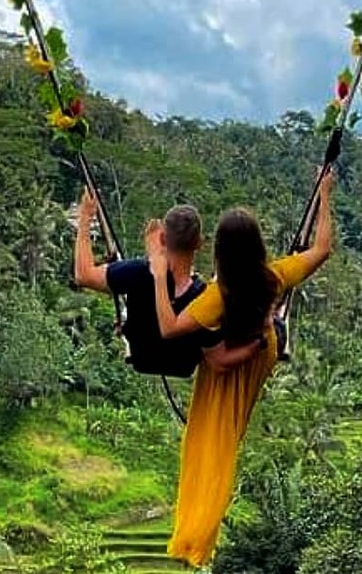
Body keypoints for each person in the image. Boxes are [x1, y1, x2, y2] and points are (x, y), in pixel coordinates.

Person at [144, 167, 336, 567]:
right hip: (261, 350)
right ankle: (196, 537)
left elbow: (168, 328)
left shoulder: (217, 295)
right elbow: (321, 249)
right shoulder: (274, 275)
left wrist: (158, 271)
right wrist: (325, 195)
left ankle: (194, 537)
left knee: (208, 438)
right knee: (224, 434)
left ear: (220, 253)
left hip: (231, 360)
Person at [74, 187, 262, 375]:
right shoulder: (204, 297)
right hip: (181, 366)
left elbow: (83, 275)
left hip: (143, 359)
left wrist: (85, 219)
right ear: (199, 243)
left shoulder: (139, 272)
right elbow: (219, 360)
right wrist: (256, 345)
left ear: (163, 238)